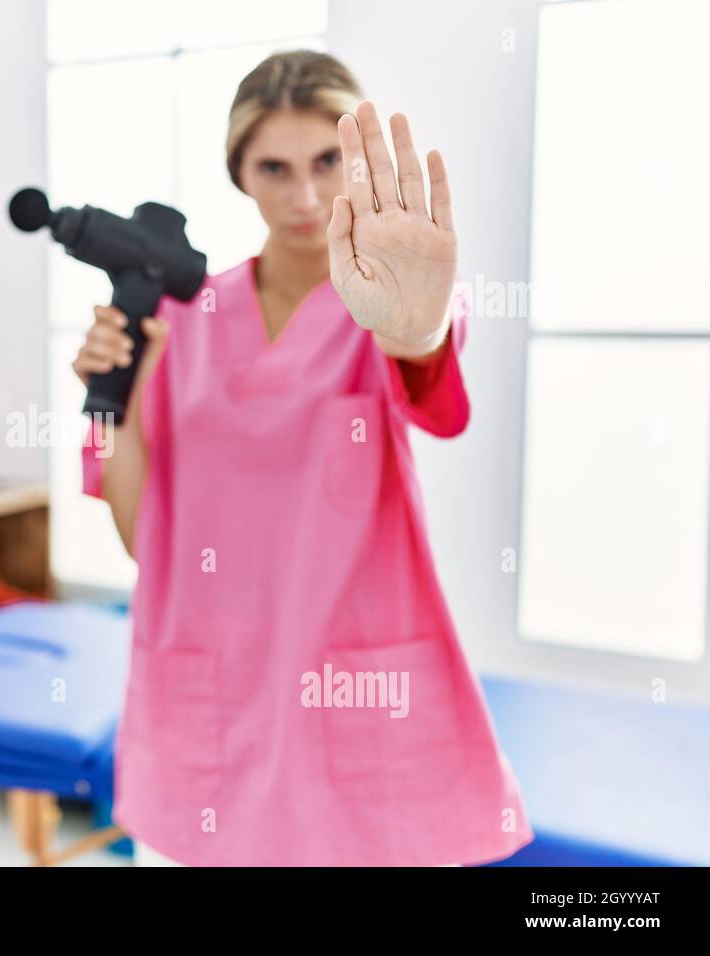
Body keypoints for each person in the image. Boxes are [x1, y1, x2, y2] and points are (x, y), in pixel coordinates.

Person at [75, 50, 533, 867]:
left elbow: (426, 359)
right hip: (208, 700)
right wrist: (115, 391)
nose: (307, 196)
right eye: (273, 168)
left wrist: (414, 320)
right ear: (239, 174)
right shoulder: (180, 319)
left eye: (328, 161)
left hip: (352, 702)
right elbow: (143, 537)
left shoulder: (388, 297)